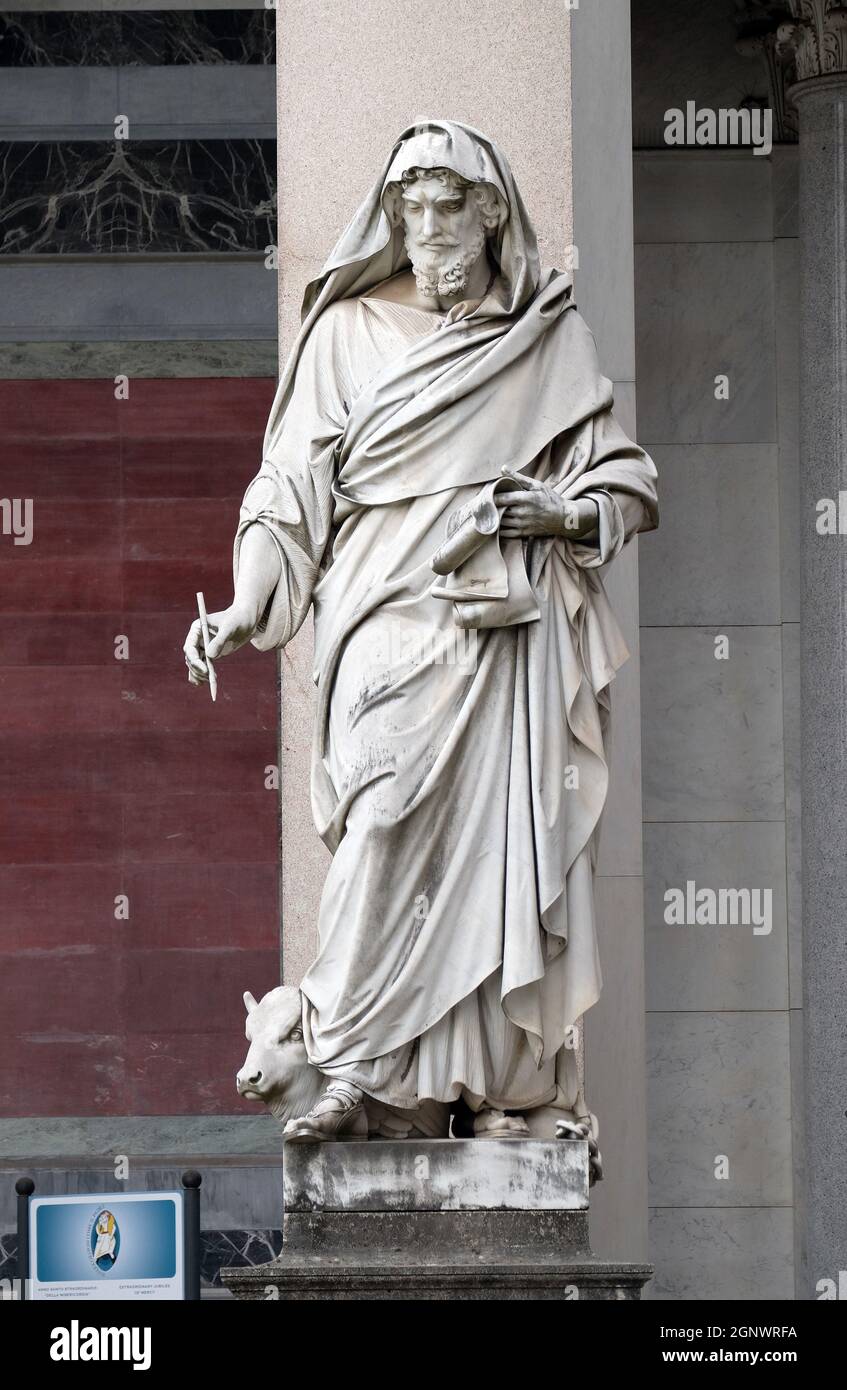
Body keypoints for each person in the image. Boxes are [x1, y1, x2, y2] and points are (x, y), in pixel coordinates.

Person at [184, 120, 658, 1143]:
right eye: (413, 208)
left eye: (451, 206)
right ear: (392, 219)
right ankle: (355, 1062)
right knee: (381, 819)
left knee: (501, 852)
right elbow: (290, 488)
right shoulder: (349, 329)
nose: (430, 226)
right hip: (379, 621)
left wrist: (560, 515)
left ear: (491, 214)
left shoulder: (540, 337)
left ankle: (486, 1088)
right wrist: (243, 604)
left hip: (498, 639)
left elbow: (621, 479)